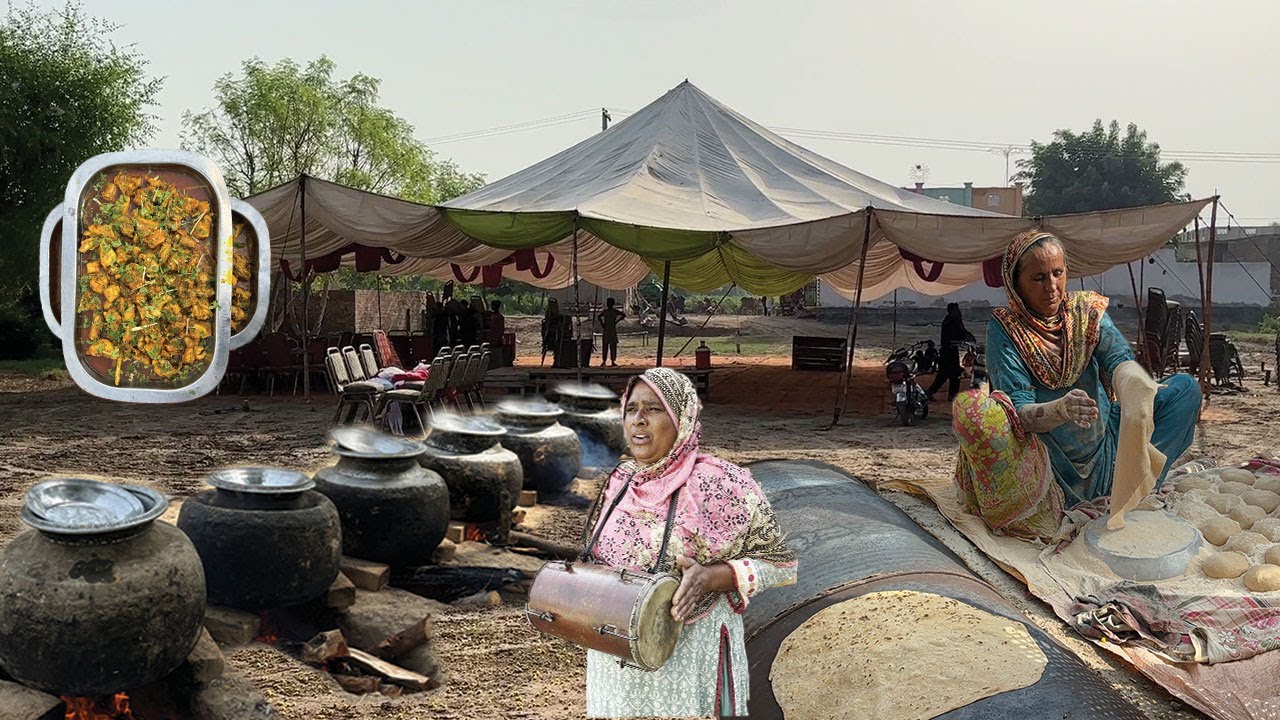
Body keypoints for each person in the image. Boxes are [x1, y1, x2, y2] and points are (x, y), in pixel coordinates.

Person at [952, 231, 1201, 540]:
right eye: (1039, 278)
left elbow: (1117, 357)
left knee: (1185, 390)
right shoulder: (1006, 329)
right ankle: (1086, 500)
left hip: (1107, 445)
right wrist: (1060, 409)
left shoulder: (1086, 311)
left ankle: (1134, 484)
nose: (1052, 286)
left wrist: (1133, 385)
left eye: (1058, 273)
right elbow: (1018, 413)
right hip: (1053, 465)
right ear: (1016, 285)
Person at [581, 368, 797, 717]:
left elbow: (781, 566)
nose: (638, 420)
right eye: (631, 409)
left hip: (692, 654)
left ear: (681, 417)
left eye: (653, 409)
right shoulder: (619, 482)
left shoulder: (723, 483)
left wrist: (711, 578)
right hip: (617, 661)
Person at [927, 303, 973, 402]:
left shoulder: (952, 320)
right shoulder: (950, 321)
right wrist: (966, 337)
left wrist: (968, 337)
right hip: (948, 352)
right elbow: (958, 333)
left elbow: (961, 332)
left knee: (946, 375)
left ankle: (933, 393)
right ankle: (950, 395)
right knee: (951, 374)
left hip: (950, 350)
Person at [597, 298, 625, 367]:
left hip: (611, 329)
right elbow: (599, 316)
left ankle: (612, 361)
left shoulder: (613, 311)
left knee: (612, 346)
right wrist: (602, 324)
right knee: (605, 346)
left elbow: (623, 315)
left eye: (609, 303)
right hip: (607, 330)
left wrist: (617, 321)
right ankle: (604, 361)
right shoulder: (606, 311)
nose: (608, 304)